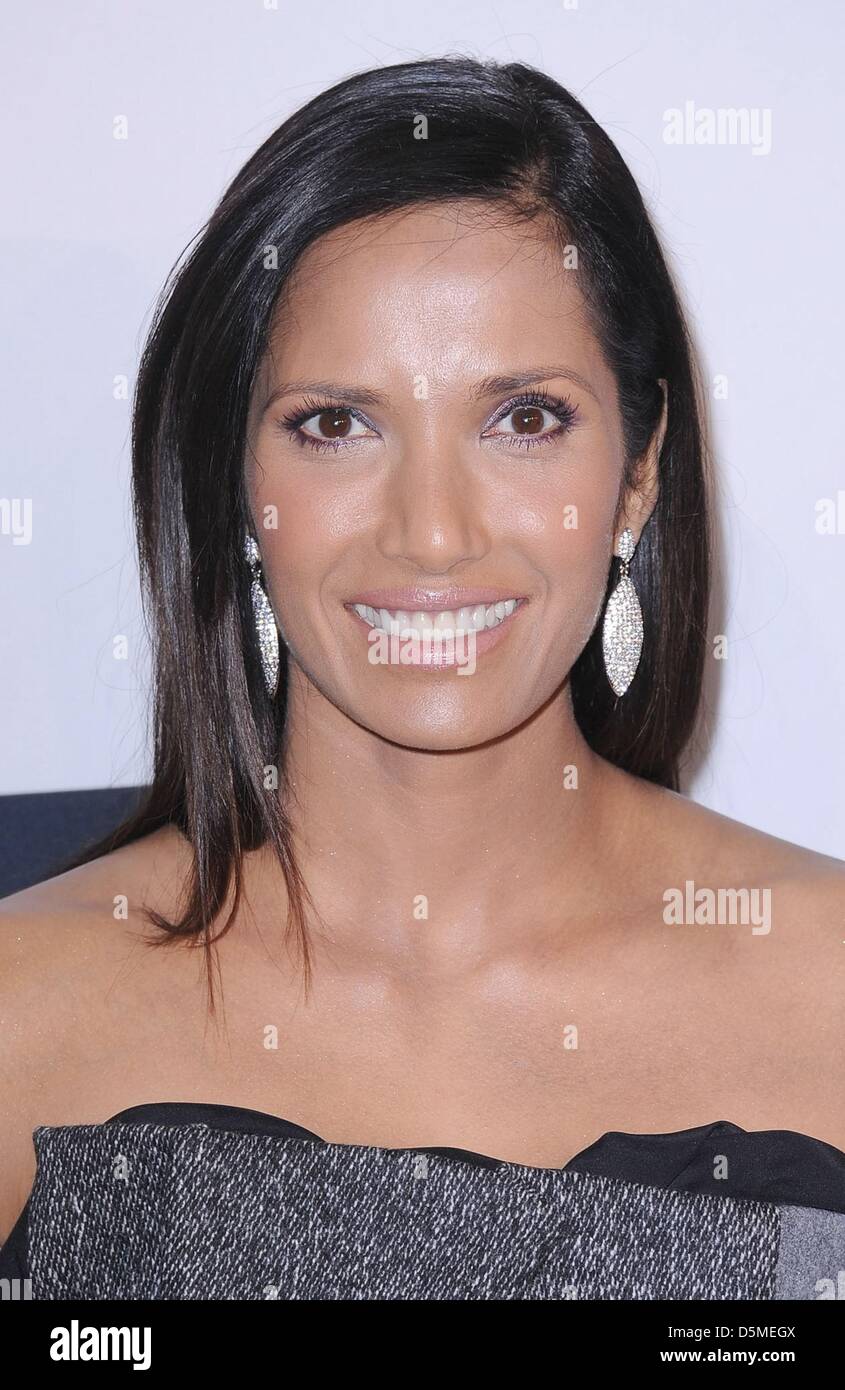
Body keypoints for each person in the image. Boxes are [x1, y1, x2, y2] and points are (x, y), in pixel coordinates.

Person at [1, 56, 842, 1301]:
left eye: (523, 418)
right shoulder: (26, 1006)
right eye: (337, 424)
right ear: (235, 482)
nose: (433, 534)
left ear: (640, 467)